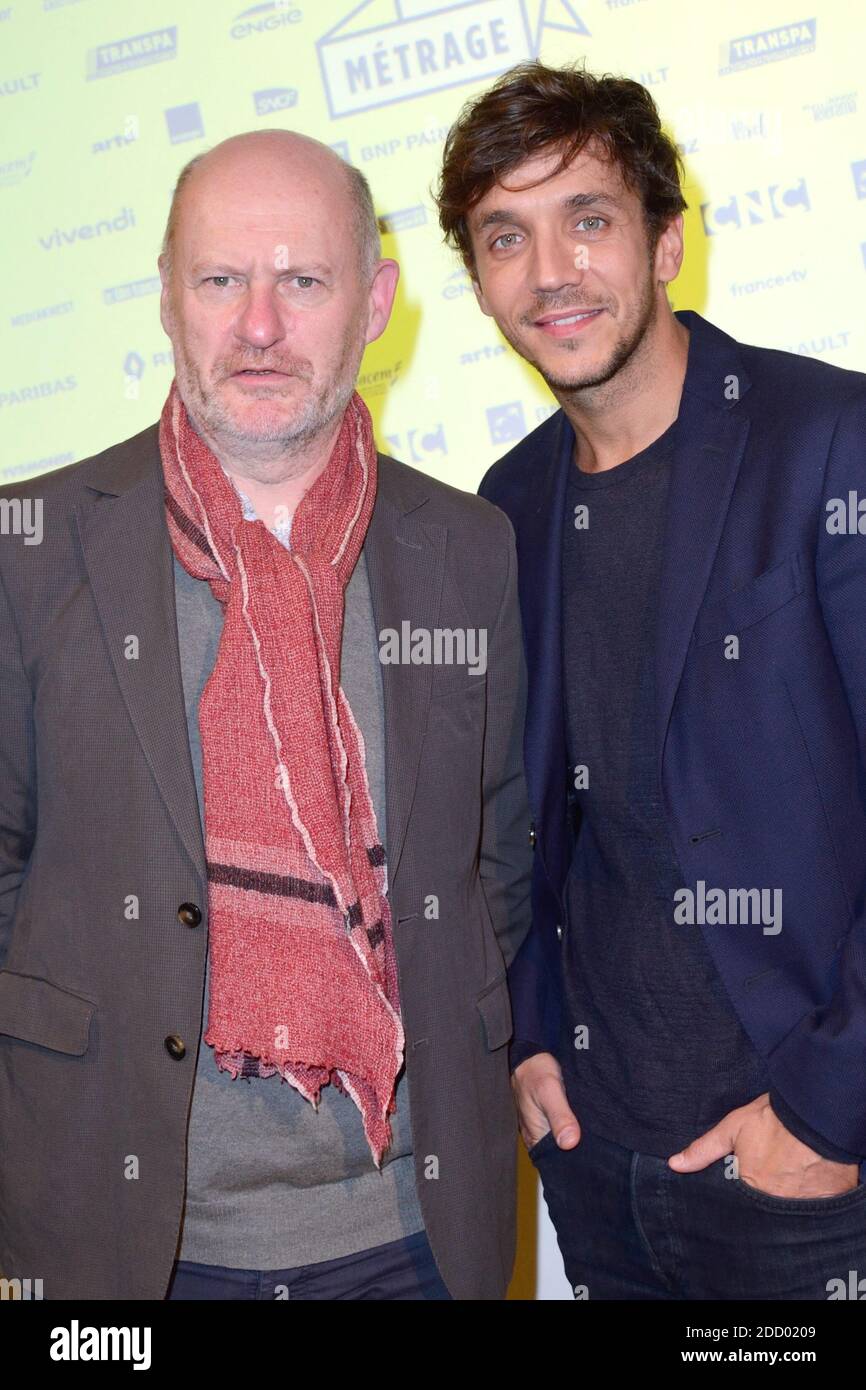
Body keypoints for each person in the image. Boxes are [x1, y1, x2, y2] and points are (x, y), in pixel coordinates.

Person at [0, 129, 532, 1301]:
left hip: (409, 1236)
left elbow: (498, 862)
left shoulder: (468, 548)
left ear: (375, 302)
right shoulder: (30, 549)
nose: (256, 325)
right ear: (165, 298)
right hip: (122, 1244)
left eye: (301, 280)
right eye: (218, 279)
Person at [436, 61, 866, 1299]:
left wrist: (830, 1113)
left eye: (587, 218)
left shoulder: (825, 440)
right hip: (597, 1162)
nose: (549, 270)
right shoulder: (506, 508)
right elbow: (513, 825)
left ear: (664, 240)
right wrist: (523, 1033)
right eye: (503, 236)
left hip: (806, 1173)